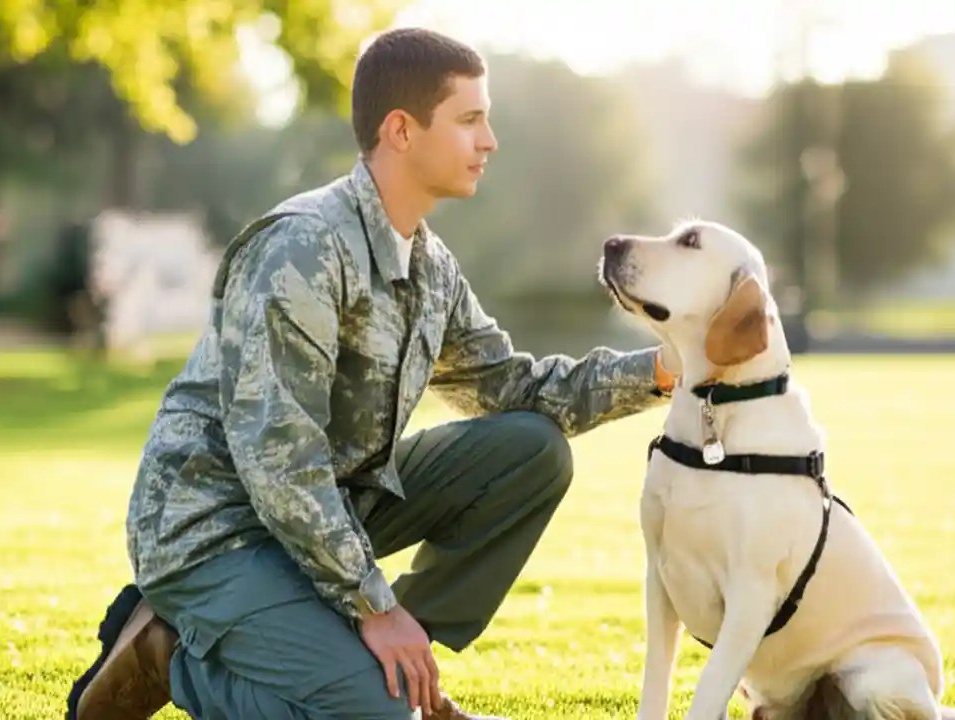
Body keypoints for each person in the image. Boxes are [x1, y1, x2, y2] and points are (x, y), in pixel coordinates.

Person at [66, 26, 679, 720]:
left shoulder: (429, 267)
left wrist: (663, 369)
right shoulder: (302, 249)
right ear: (401, 130)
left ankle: (389, 670)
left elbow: (514, 390)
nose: (490, 141)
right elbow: (280, 462)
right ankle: (168, 656)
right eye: (470, 119)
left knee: (531, 450)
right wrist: (372, 605)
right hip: (214, 530)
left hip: (332, 509)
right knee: (375, 717)